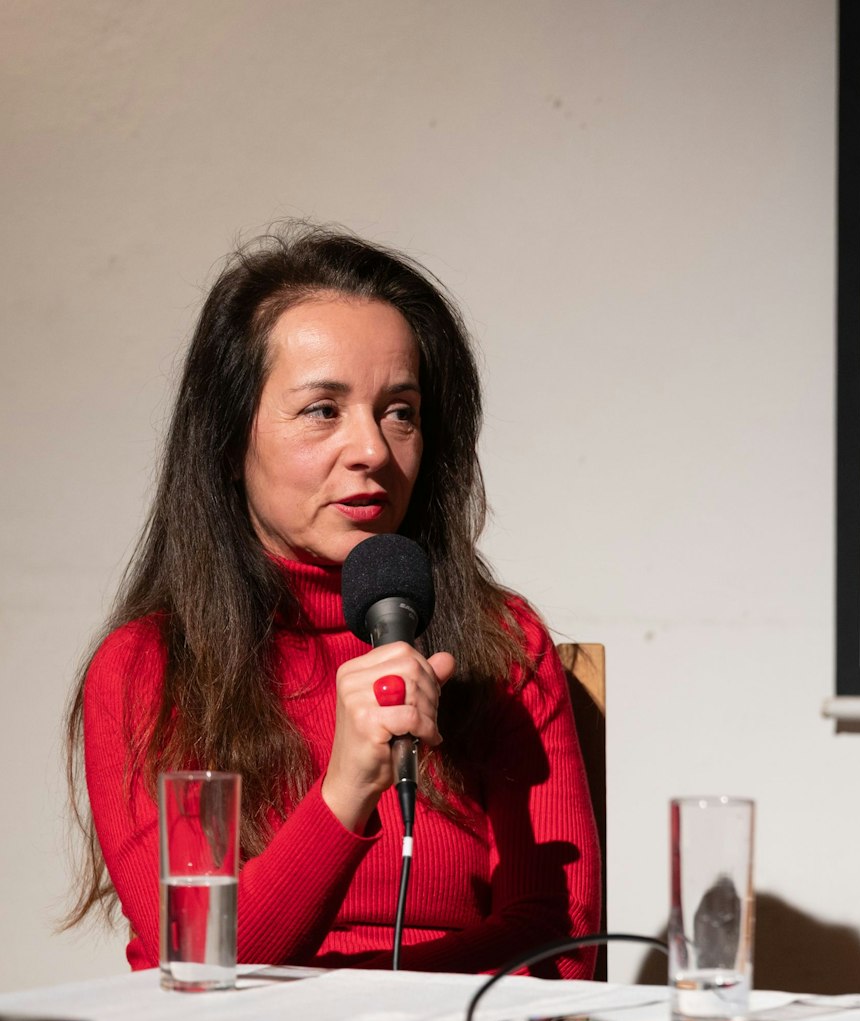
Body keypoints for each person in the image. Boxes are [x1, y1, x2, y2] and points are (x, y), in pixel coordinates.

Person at [65, 225, 602, 977]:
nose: (374, 451)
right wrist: (345, 792)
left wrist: (376, 1015)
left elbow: (559, 940)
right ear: (228, 440)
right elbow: (195, 960)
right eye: (323, 410)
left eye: (400, 411)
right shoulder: (151, 668)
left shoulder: (496, 642)